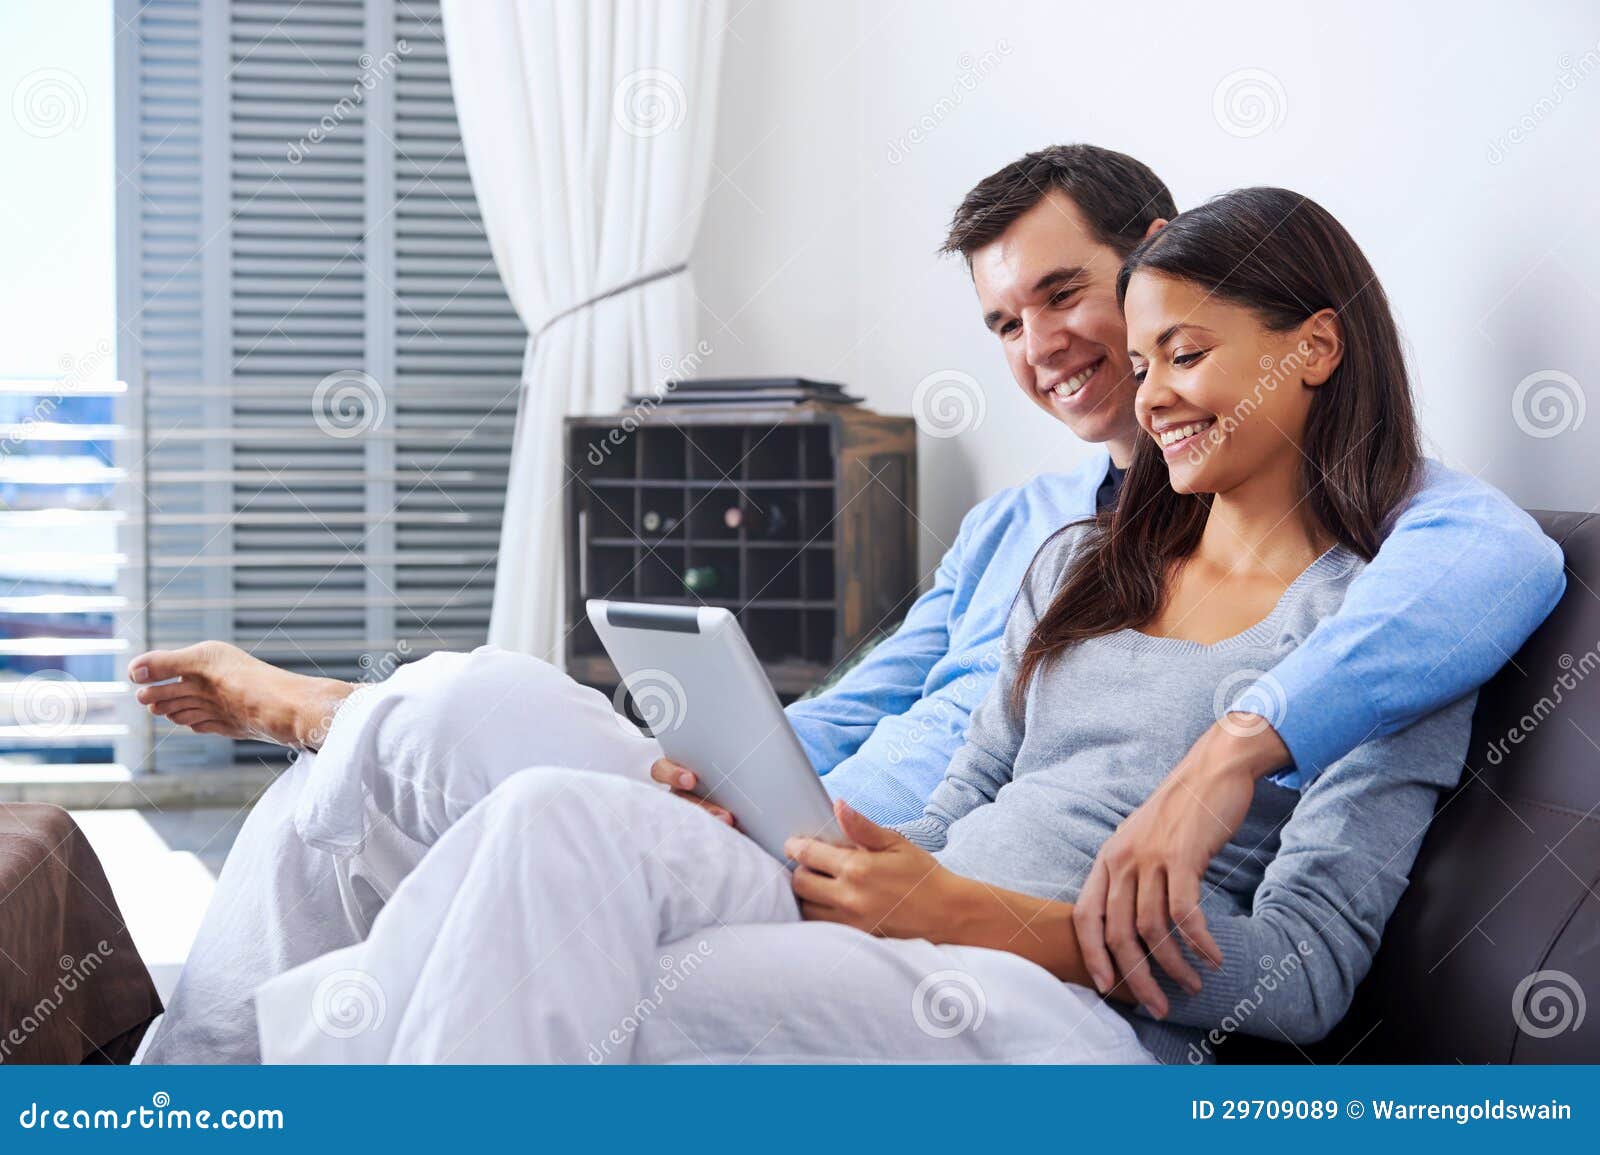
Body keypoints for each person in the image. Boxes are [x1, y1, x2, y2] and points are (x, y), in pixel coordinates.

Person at [135, 148, 1562, 1064]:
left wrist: (978, 907)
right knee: (550, 823)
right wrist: (863, 857)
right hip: (894, 905)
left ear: (1315, 349)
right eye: (1143, 356)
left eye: (1180, 350)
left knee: (634, 987)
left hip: (1060, 1010)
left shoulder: (1390, 623)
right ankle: (214, 1083)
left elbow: (1302, 981)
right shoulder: (1078, 562)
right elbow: (954, 787)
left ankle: (316, 1047)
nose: (1146, 389)